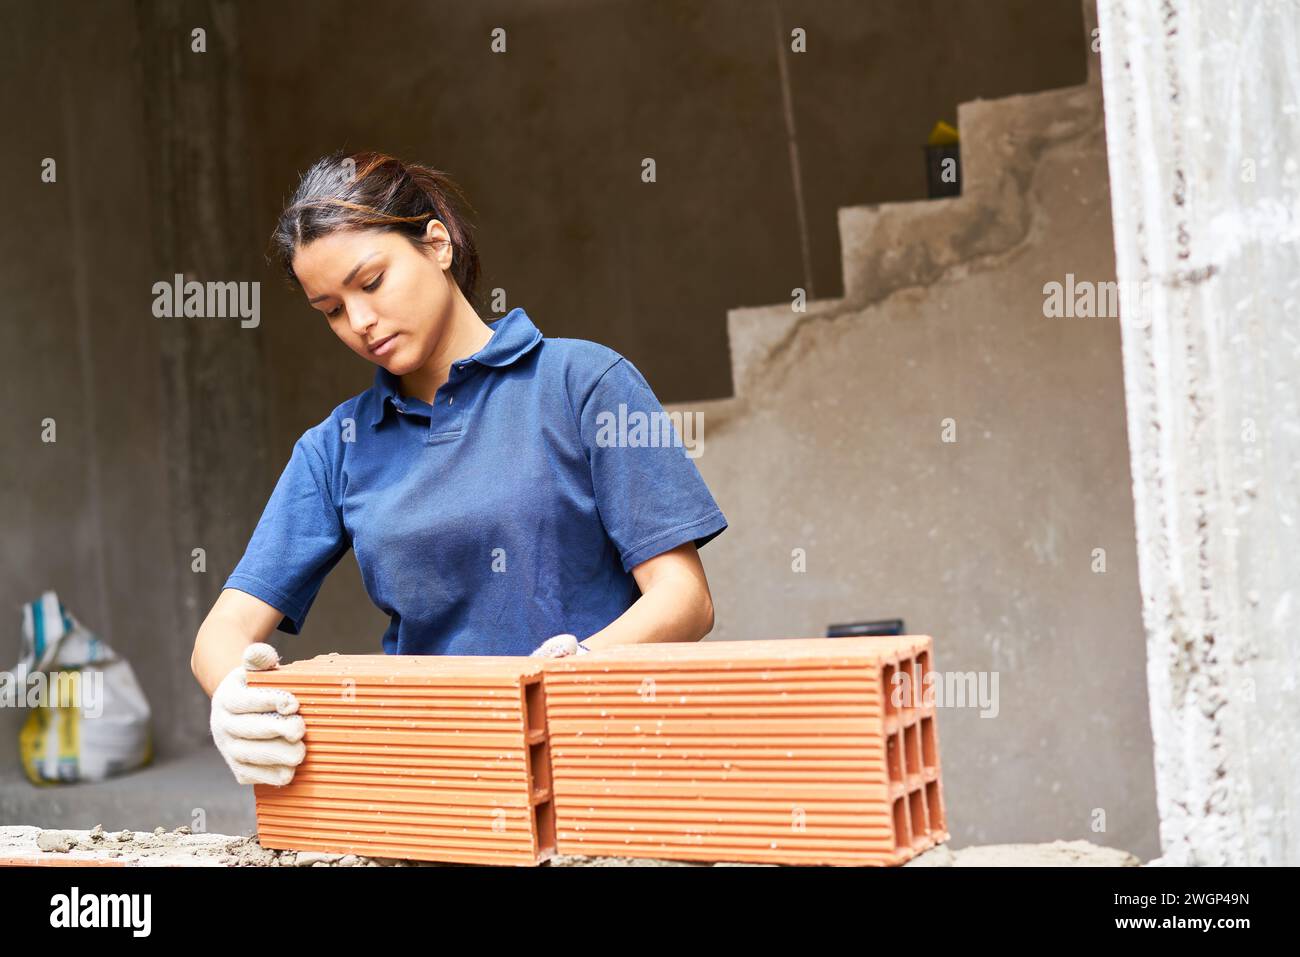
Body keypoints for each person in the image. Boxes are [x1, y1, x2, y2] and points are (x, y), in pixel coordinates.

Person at [191, 151, 728, 786]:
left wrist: (575, 666)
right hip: (440, 783)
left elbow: (685, 599)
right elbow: (224, 628)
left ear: (436, 244)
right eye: (331, 309)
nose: (359, 322)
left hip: (604, 765)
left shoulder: (582, 384)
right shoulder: (336, 445)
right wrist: (234, 698)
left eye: (371, 282)